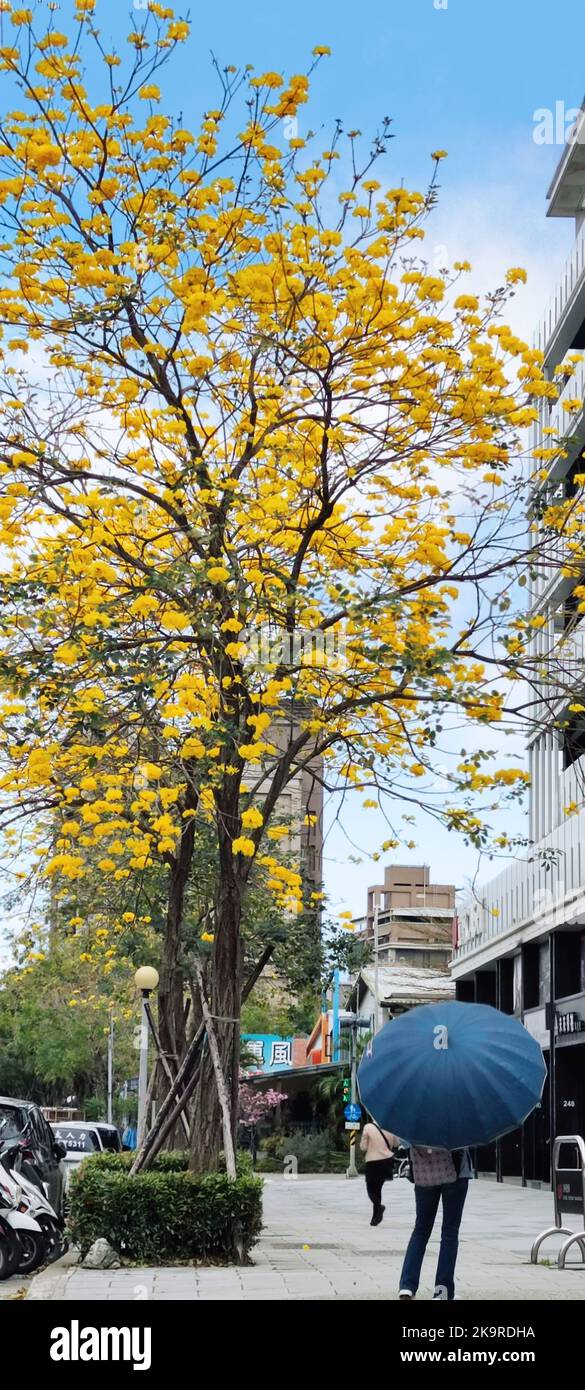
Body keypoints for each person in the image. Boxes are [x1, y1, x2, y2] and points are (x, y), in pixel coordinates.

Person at [398, 1146, 473, 1301]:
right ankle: (442, 1291)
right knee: (449, 1232)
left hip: (424, 1176)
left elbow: (404, 1143)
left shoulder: (413, 1122)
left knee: (420, 1231)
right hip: (453, 1175)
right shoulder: (455, 1121)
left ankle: (407, 1286)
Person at [360, 1118, 398, 1226]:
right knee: (378, 1188)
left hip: (373, 1162)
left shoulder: (368, 1127)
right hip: (387, 1161)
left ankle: (379, 1207)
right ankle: (375, 1217)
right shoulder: (390, 1127)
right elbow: (396, 1144)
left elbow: (363, 1147)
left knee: (371, 1189)